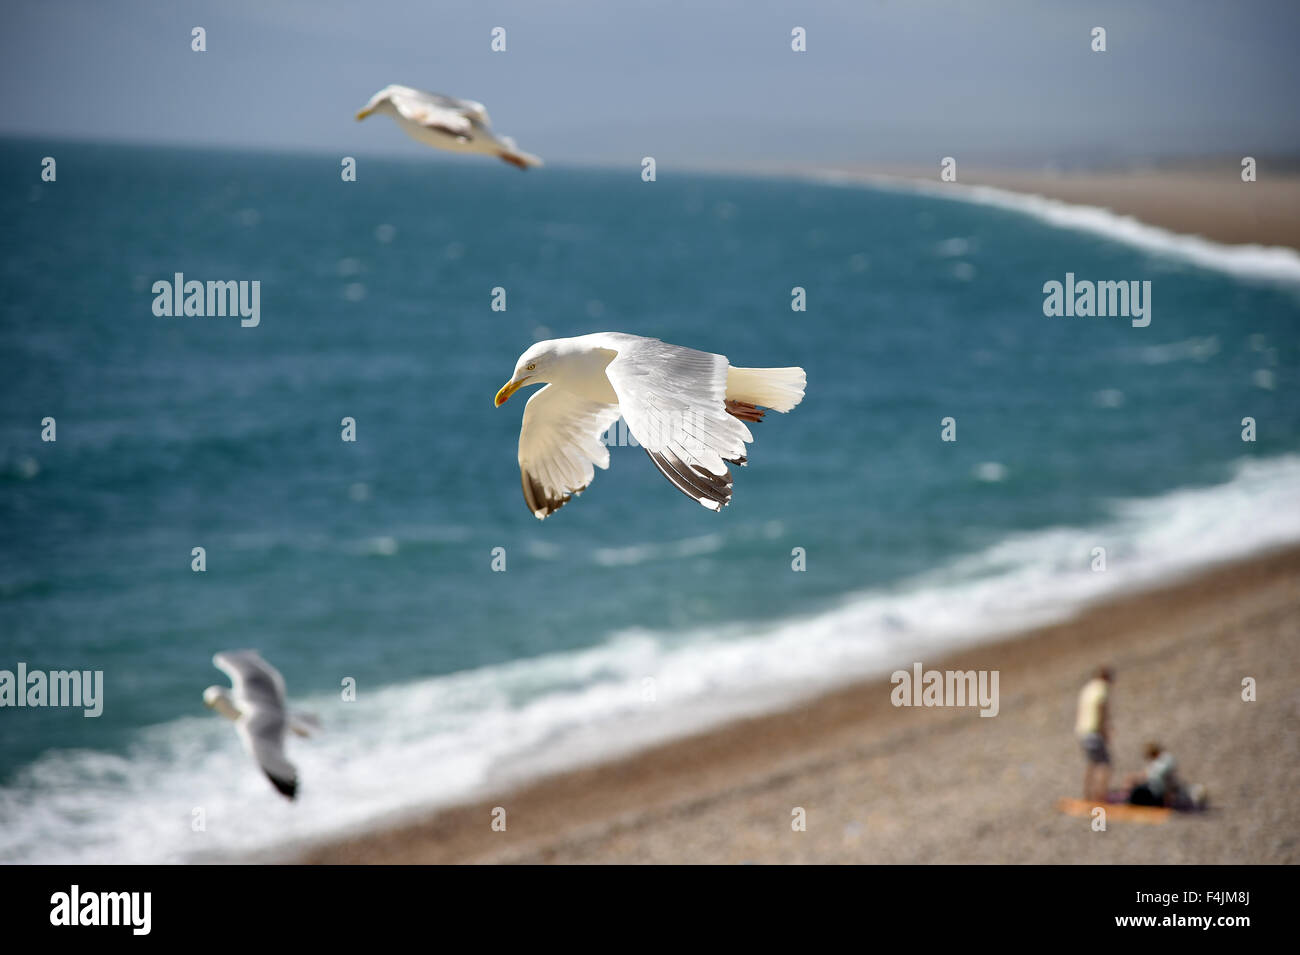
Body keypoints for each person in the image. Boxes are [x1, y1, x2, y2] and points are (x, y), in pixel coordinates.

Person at [1075, 667, 1113, 802]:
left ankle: (1087, 793)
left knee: (1091, 762)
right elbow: (1100, 708)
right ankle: (1101, 796)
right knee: (1104, 763)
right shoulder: (1101, 689)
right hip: (1094, 731)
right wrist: (1104, 730)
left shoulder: (1087, 688)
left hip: (1082, 731)